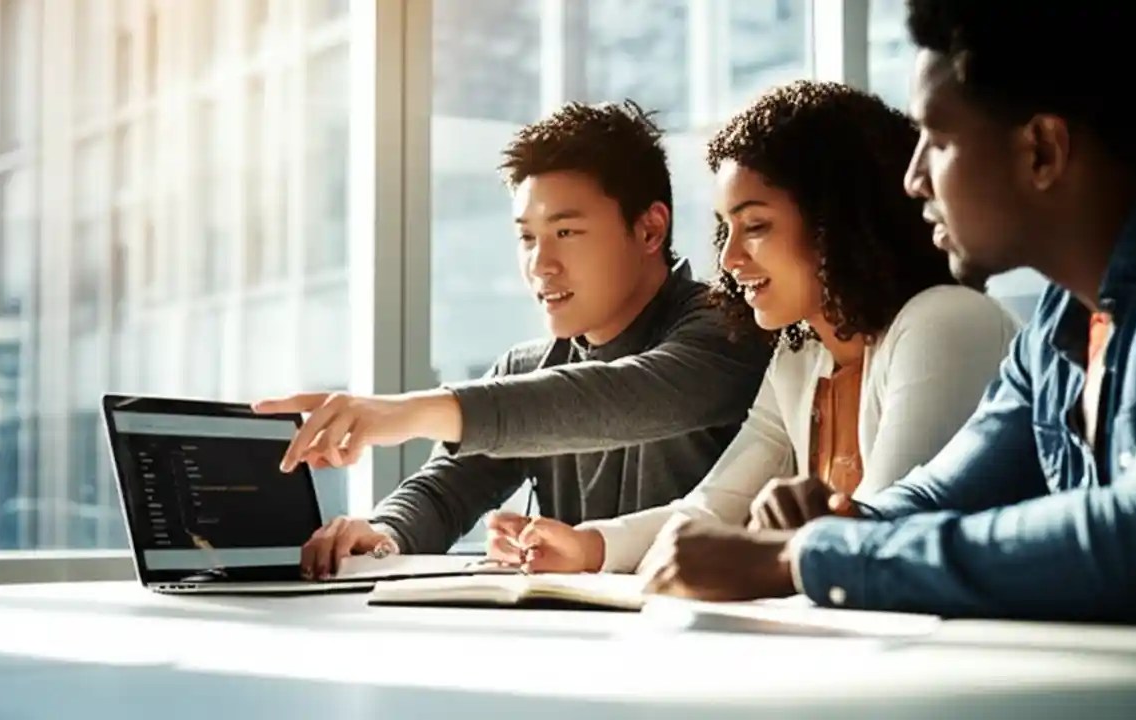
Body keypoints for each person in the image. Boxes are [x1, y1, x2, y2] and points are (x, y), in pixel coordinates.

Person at [644, 0, 1136, 626]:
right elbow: (944, 493)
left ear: (1042, 151)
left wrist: (803, 556)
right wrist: (846, 523)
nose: (914, 178)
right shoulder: (1059, 322)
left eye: (938, 141)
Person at [488, 81, 1018, 575]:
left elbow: (878, 539)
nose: (730, 256)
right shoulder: (801, 355)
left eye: (756, 226)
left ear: (839, 220)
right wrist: (589, 546)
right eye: (726, 228)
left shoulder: (945, 322)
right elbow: (715, 505)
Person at [254, 100, 771, 579]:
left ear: (650, 230)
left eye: (566, 233)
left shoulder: (727, 329)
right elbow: (441, 495)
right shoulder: (525, 369)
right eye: (527, 237)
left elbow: (617, 398)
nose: (541, 265)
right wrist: (383, 535)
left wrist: (402, 411)